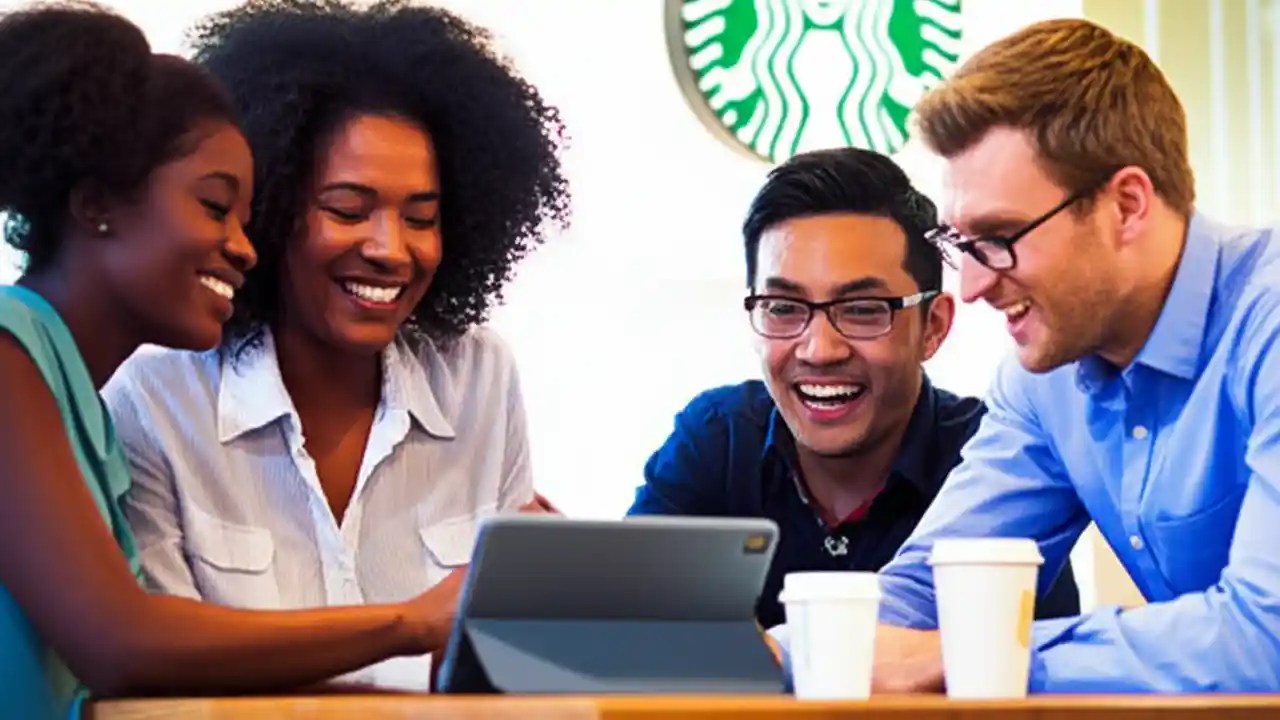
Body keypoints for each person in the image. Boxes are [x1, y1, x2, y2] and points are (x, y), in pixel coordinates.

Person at [0, 4, 485, 718]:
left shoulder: (75, 400)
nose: (244, 247)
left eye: (247, 218)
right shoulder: (9, 353)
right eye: (214, 206)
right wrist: (409, 621)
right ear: (97, 204)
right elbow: (120, 643)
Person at [102, 0, 570, 690]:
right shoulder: (158, 396)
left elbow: (496, 664)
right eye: (348, 210)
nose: (390, 249)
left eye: (422, 218)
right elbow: (164, 668)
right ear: (270, 209)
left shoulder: (479, 377)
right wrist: (411, 624)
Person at [841, 18, 1280, 693]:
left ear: (1127, 205)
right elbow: (923, 596)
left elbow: (1265, 641)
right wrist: (771, 651)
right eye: (962, 242)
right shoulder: (1044, 380)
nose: (975, 286)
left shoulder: (1267, 320)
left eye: (998, 237)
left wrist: (971, 657)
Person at [628, 147, 1079, 629]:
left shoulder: (1000, 463)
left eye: (863, 309)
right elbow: (623, 623)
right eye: (783, 307)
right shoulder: (717, 440)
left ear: (934, 326)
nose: (819, 350)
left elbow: (1027, 678)